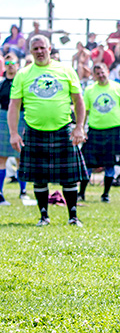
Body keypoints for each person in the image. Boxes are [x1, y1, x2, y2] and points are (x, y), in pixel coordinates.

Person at [8, 35, 88, 227]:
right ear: (30, 51)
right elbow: (14, 105)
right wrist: (13, 133)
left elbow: (78, 101)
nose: (40, 51)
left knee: (69, 178)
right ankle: (43, 216)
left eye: (42, 47)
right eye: (35, 49)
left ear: (50, 48)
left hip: (63, 129)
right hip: (35, 131)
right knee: (38, 177)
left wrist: (79, 127)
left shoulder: (65, 70)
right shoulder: (23, 74)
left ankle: (73, 216)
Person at [80, 63, 120, 203]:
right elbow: (85, 111)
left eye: (102, 72)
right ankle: (82, 193)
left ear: (108, 71)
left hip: (113, 131)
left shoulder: (119, 88)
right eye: (97, 73)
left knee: (111, 164)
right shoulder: (89, 90)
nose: (101, 75)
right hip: (94, 130)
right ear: (93, 75)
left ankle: (105, 194)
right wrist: (81, 127)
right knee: (88, 163)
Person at [0, 52, 27, 204]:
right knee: (1, 158)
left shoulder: (23, 83)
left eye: (13, 64)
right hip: (3, 119)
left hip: (21, 118)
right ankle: (0, 193)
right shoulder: (2, 85)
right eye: (7, 64)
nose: (10, 67)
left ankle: (23, 191)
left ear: (18, 65)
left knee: (20, 157)